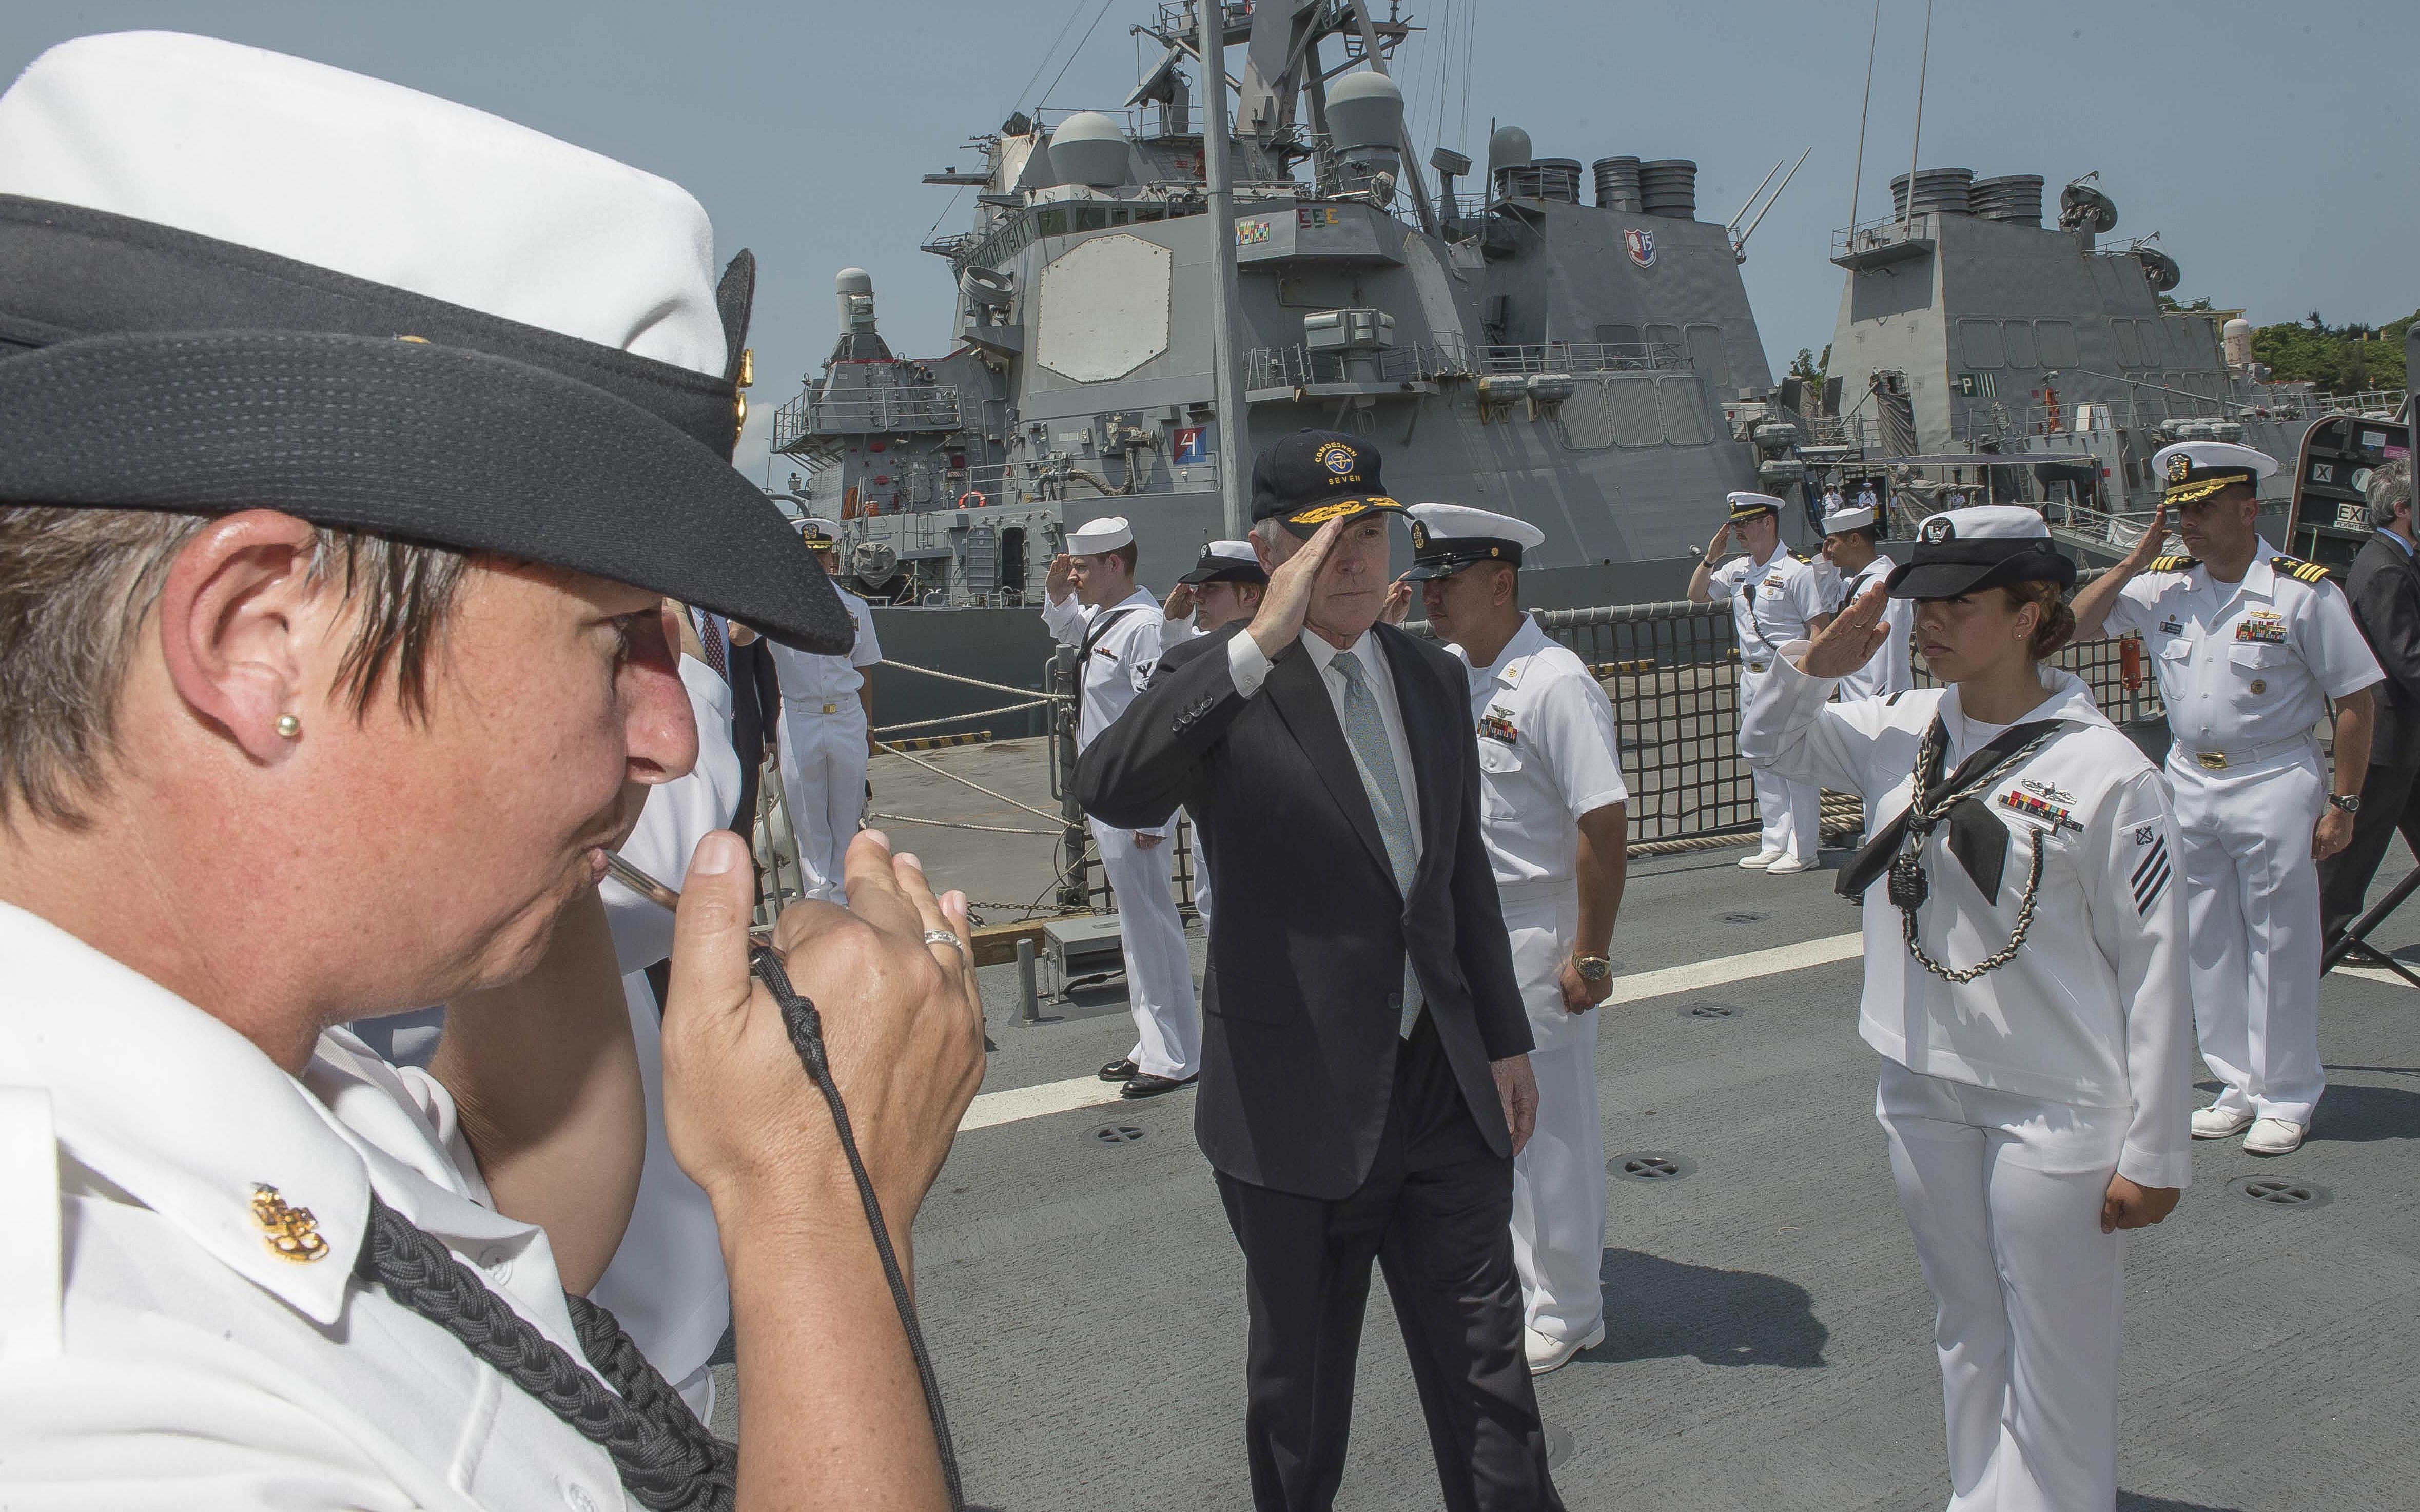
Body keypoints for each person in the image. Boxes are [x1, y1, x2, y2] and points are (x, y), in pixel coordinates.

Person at [0, 31, 985, 1510]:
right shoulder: (89, 1404)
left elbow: (516, 1226)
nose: (671, 733)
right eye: (612, 641)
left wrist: (550, 839)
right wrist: (817, 1203)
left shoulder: (240, 1052)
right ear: (262, 635)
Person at [1078, 430, 1563, 1512]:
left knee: (1491, 1382)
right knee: (1299, 1407)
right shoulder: (1217, 677)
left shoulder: (1432, 677)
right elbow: (1113, 788)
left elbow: (1457, 877)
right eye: (1322, 538)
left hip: (1441, 1087)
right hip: (1294, 1111)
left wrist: (1504, 1036)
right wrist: (1256, 641)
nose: (1354, 556)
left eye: (1371, 531)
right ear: (1270, 549)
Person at [1741, 505, 2194, 1512]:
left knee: (2060, 1344)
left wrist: (2156, 1151)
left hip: (2057, 1102)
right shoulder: (1900, 728)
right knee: (1965, 1325)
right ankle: (1978, 1494)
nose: (1929, 621)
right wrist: (1814, 663)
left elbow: (2159, 964)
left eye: (1959, 602)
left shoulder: (2110, 771)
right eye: (1922, 602)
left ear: (2034, 614)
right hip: (1922, 1083)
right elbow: (1771, 743)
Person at [2070, 441, 2379, 1157]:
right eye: (2179, 511)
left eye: (2203, 509)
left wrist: (2347, 801)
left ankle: (2288, 1092)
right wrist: (2131, 562)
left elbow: (2357, 698)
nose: (2188, 524)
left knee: (2281, 939)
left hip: (2273, 778)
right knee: (2204, 938)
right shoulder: (2167, 586)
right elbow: (2072, 627)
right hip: (2188, 780)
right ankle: (2236, 1083)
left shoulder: (2303, 593)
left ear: (2249, 509)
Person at [1407, 502, 1629, 1378]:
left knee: (1554, 1128)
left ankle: (1572, 1306)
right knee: (1498, 1122)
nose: (1431, 597)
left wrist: (1592, 951)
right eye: (1425, 582)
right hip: (1471, 930)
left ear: (1501, 582)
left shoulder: (1554, 681)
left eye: (1447, 582)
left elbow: (1602, 823)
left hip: (1535, 931)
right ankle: (1535, 1281)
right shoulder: (1457, 673)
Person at [1042, 515, 1200, 1098]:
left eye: (1082, 566)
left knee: (1153, 926)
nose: (1073, 574)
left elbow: (1157, 724)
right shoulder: (1105, 618)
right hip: (1110, 793)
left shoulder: (1146, 628)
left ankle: (1175, 1055)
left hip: (1135, 800)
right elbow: (1068, 630)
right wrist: (1058, 594)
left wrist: (1153, 813)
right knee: (1136, 929)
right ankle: (1151, 1039)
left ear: (1115, 564)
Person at [1690, 492, 1833, 873]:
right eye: (1735, 524)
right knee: (1760, 758)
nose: (1738, 530)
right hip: (1751, 676)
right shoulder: (1737, 570)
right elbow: (1697, 594)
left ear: (1767, 523)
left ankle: (1804, 848)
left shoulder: (1797, 572)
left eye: (1745, 523)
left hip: (1786, 675)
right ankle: (1775, 840)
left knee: (1794, 758)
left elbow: (1817, 628)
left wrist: (1814, 680)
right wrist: (1710, 558)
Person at [2319, 460, 2420, 942]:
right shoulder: (2386, 569)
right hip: (2389, 741)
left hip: (2407, 742)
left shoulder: (2394, 560)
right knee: (2351, 860)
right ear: (2403, 509)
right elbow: (2407, 658)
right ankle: (2314, 941)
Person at [1159, 540, 1271, 940]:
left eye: (1211, 589)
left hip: (1263, 831)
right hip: (1211, 824)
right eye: (1198, 589)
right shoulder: (1195, 656)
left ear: (1250, 594)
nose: (1198, 598)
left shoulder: (1286, 658)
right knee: (1214, 918)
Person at [769, 518, 883, 904]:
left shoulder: (855, 608)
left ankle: (846, 897)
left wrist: (869, 724)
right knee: (808, 819)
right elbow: (741, 638)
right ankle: (820, 898)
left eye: (822, 556)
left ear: (832, 558)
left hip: (845, 716)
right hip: (800, 717)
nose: (817, 565)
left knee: (847, 815)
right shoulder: (775, 610)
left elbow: (864, 668)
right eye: (807, 558)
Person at [1819, 501, 1914, 703]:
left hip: (1874, 705)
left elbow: (1889, 654)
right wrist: (1825, 564)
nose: (1829, 549)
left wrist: (1883, 706)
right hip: (1855, 698)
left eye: (1832, 543)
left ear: (1854, 540)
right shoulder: (1859, 581)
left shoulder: (1884, 584)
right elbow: (1829, 601)